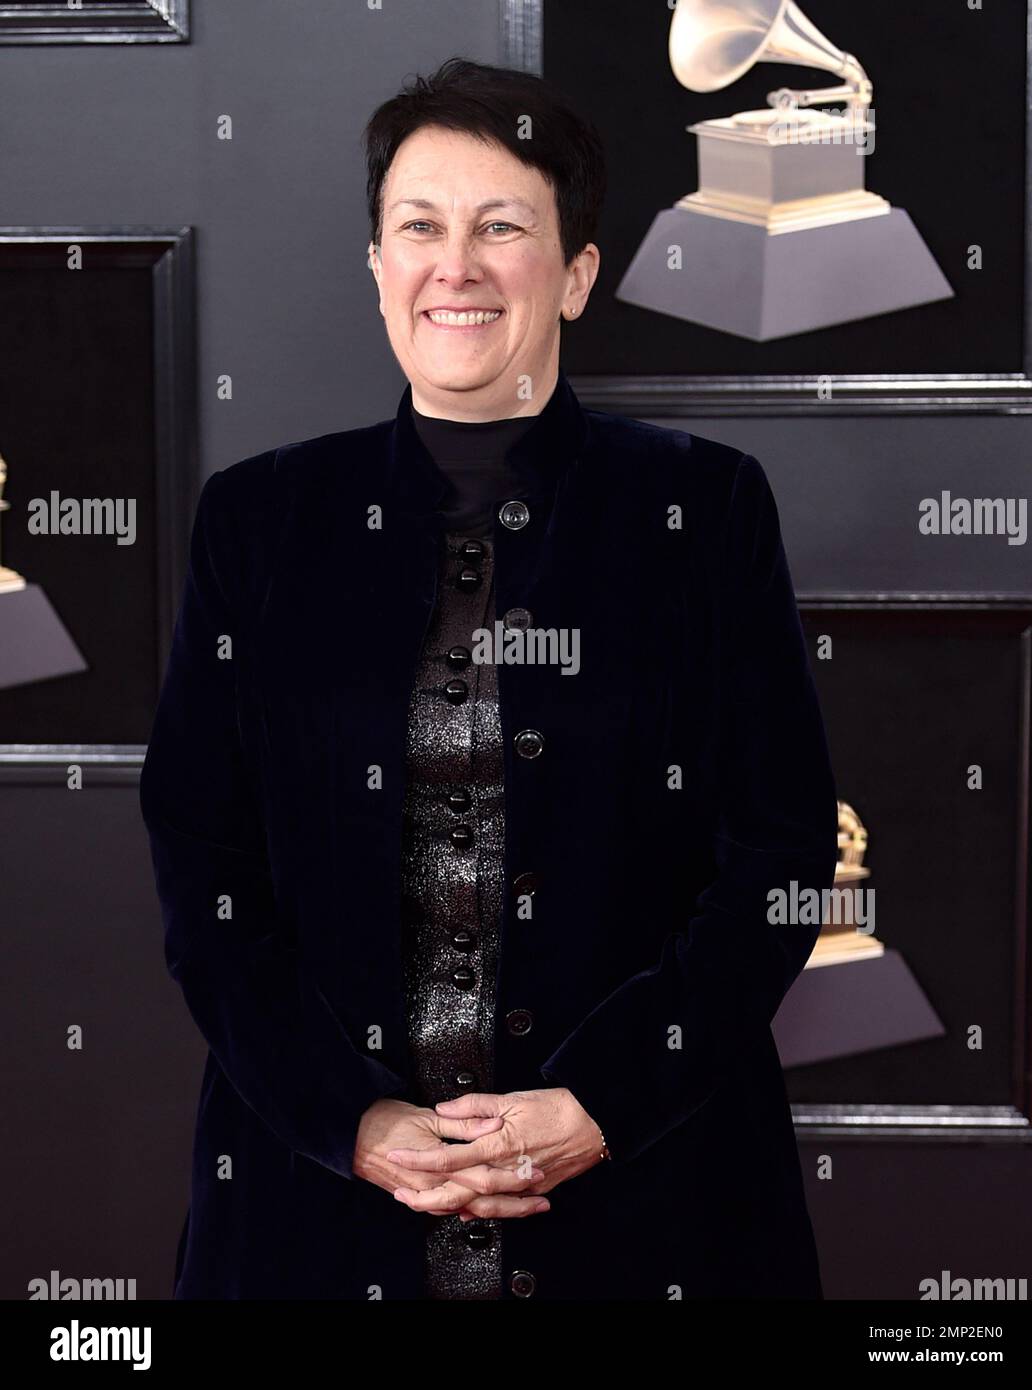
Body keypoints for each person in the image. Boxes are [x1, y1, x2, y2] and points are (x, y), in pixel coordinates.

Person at [139, 56, 838, 1301]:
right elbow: (204, 862)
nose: (453, 266)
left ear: (576, 274)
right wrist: (347, 1118)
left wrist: (603, 1101)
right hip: (311, 1218)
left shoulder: (707, 508)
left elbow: (780, 855)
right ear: (375, 267)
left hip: (652, 1207)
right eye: (419, 227)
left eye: (501, 228)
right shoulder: (258, 523)